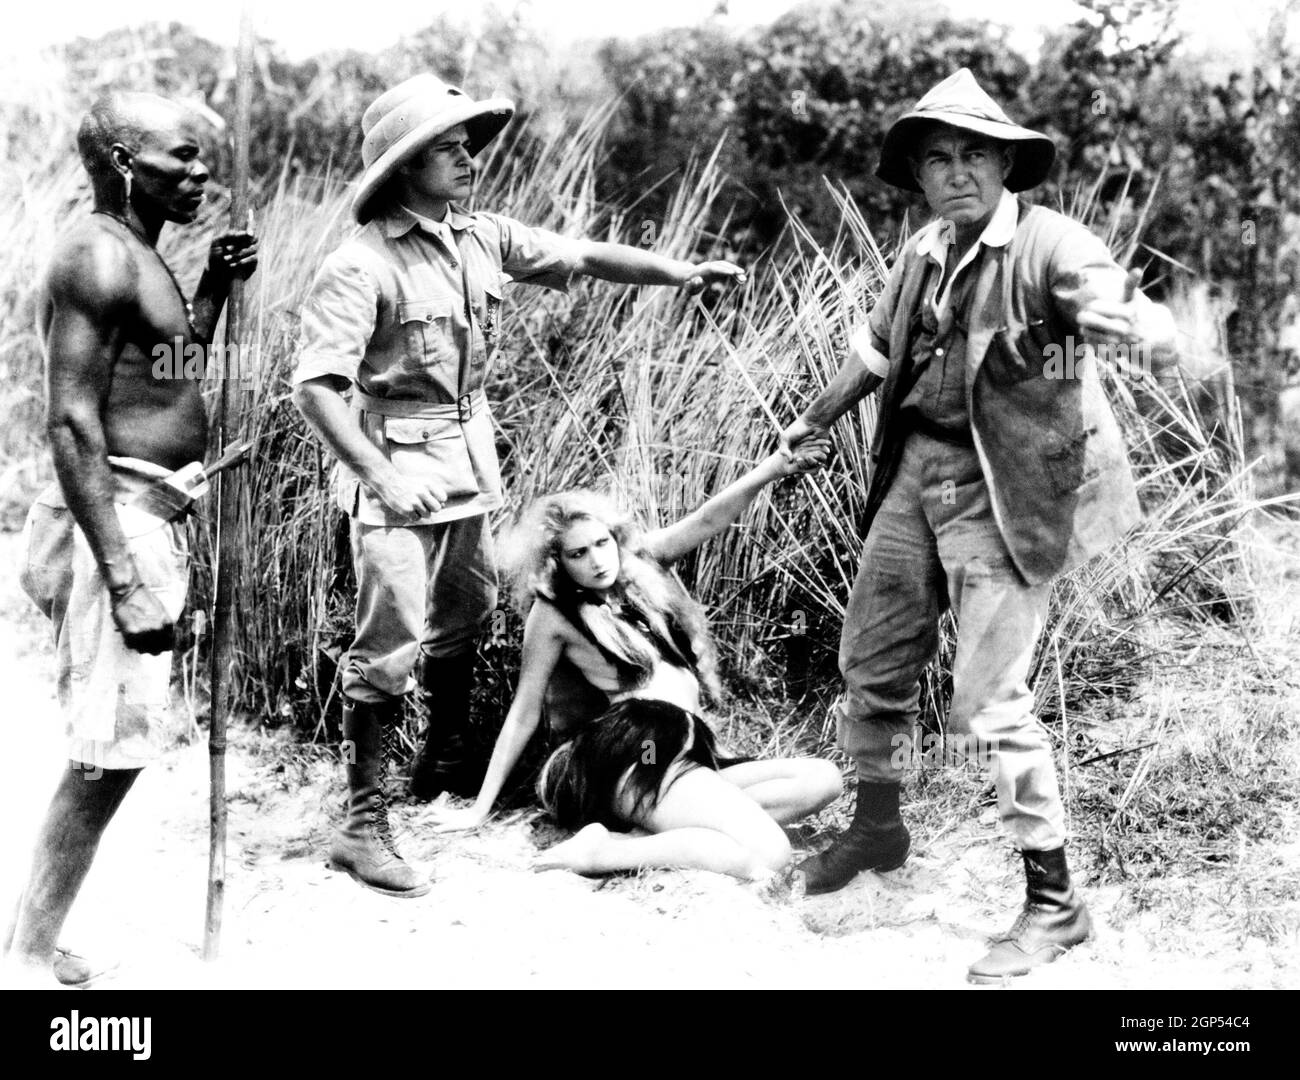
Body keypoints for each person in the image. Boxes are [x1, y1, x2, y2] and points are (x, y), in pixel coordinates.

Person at [292, 73, 748, 899]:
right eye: (448, 149)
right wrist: (383, 477)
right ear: (403, 167)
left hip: (469, 473)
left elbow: (580, 256)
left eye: (469, 146)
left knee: (462, 619)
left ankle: (444, 758)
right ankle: (363, 822)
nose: (468, 160)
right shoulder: (360, 266)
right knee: (386, 643)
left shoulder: (481, 236)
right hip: (394, 478)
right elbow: (317, 388)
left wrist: (678, 272)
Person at [779, 69, 1177, 982]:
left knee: (988, 707)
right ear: (919, 177)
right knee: (870, 663)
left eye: (974, 155)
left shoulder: (1050, 244)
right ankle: (878, 828)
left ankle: (1055, 901)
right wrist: (811, 419)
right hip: (916, 471)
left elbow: (1116, 317)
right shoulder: (924, 249)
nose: (958, 172)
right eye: (938, 159)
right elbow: (874, 355)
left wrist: (1100, 329)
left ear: (1006, 164)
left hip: (1010, 492)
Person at [4, 92, 257, 987]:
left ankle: (28, 939)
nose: (200, 176)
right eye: (181, 158)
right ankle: (29, 950)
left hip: (148, 513)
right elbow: (70, 423)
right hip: (121, 518)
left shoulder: (144, 253)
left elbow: (171, 374)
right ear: (122, 158)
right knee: (103, 753)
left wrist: (217, 289)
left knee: (111, 749)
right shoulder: (96, 256)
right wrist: (121, 575)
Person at [427, 445, 843, 883]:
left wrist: (772, 469)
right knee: (770, 852)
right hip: (634, 753)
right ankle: (603, 852)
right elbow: (523, 712)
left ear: (616, 537)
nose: (597, 560)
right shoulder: (553, 612)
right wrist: (478, 810)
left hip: (690, 750)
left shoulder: (638, 568)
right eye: (578, 553)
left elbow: (706, 519)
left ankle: (644, 835)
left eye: (602, 543)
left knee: (822, 778)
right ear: (557, 562)